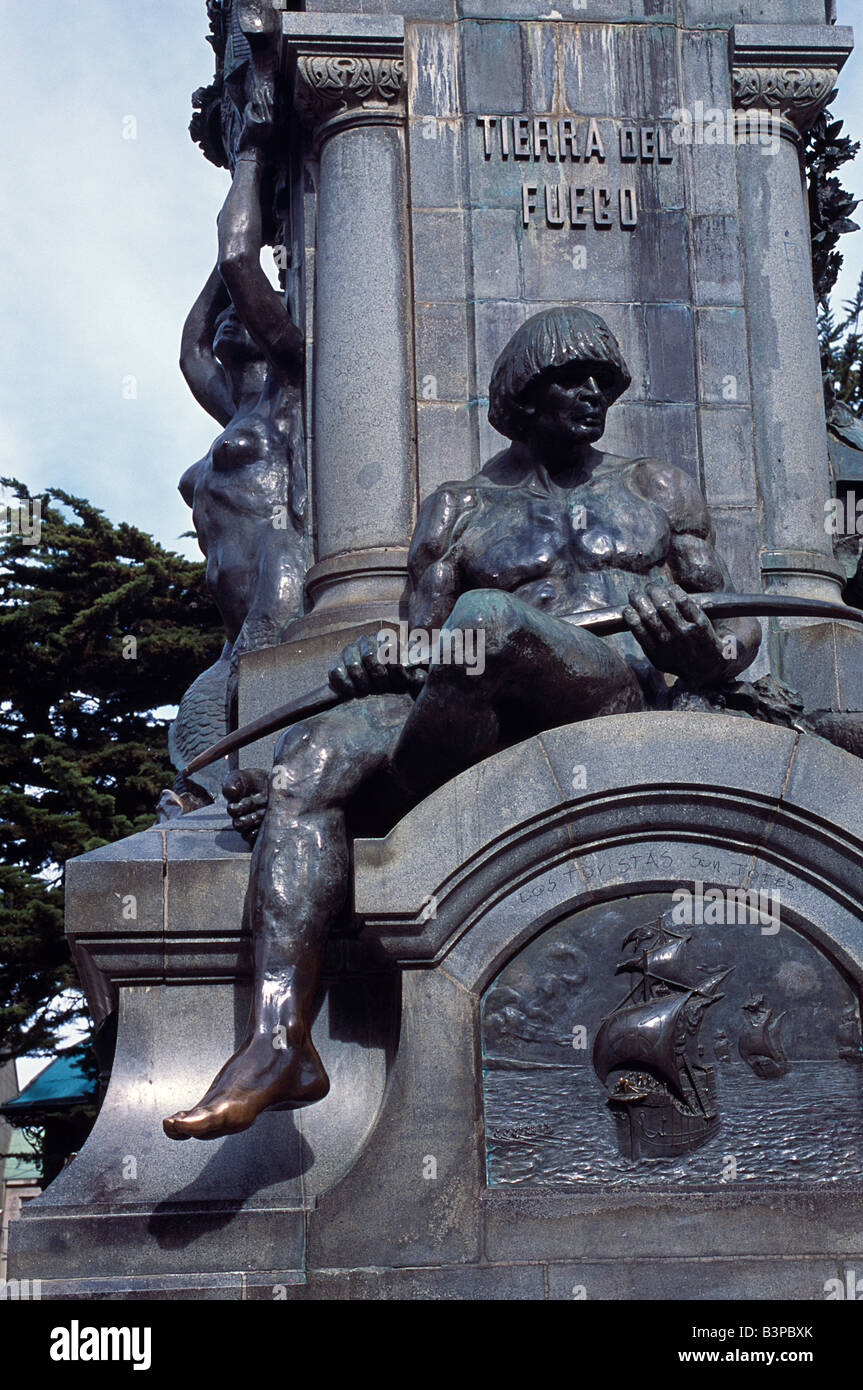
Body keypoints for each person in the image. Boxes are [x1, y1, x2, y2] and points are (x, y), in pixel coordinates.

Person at [163, 305, 761, 1140]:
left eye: (602, 379)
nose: (592, 394)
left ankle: (385, 806)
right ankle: (279, 1041)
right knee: (308, 763)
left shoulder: (654, 489)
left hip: (613, 694)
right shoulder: (457, 509)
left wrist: (699, 650)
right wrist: (380, 654)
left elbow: (734, 629)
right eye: (569, 379)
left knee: (489, 619)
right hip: (483, 718)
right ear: (522, 393)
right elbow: (421, 644)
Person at [178, 96, 306, 736]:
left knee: (257, 744)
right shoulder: (234, 408)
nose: (232, 311)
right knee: (199, 747)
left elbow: (238, 263)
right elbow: (191, 346)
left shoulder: (291, 382)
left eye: (249, 308)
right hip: (234, 634)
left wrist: (250, 158)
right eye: (229, 308)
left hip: (278, 589)